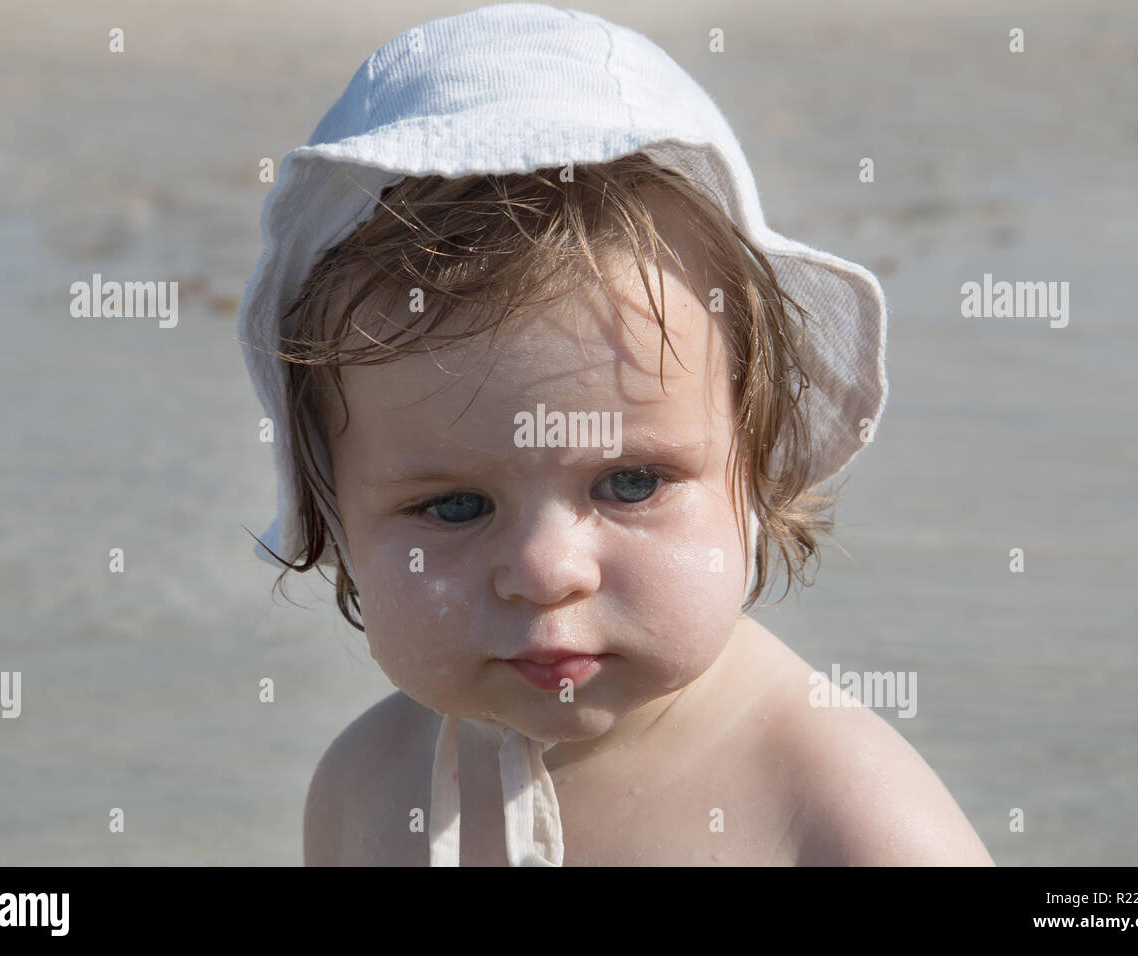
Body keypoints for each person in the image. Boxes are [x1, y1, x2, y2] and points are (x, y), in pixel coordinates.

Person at [237, 2, 994, 866]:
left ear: (755, 468)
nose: (546, 574)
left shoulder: (834, 803)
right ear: (332, 511)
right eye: (452, 505)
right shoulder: (366, 788)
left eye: (631, 483)